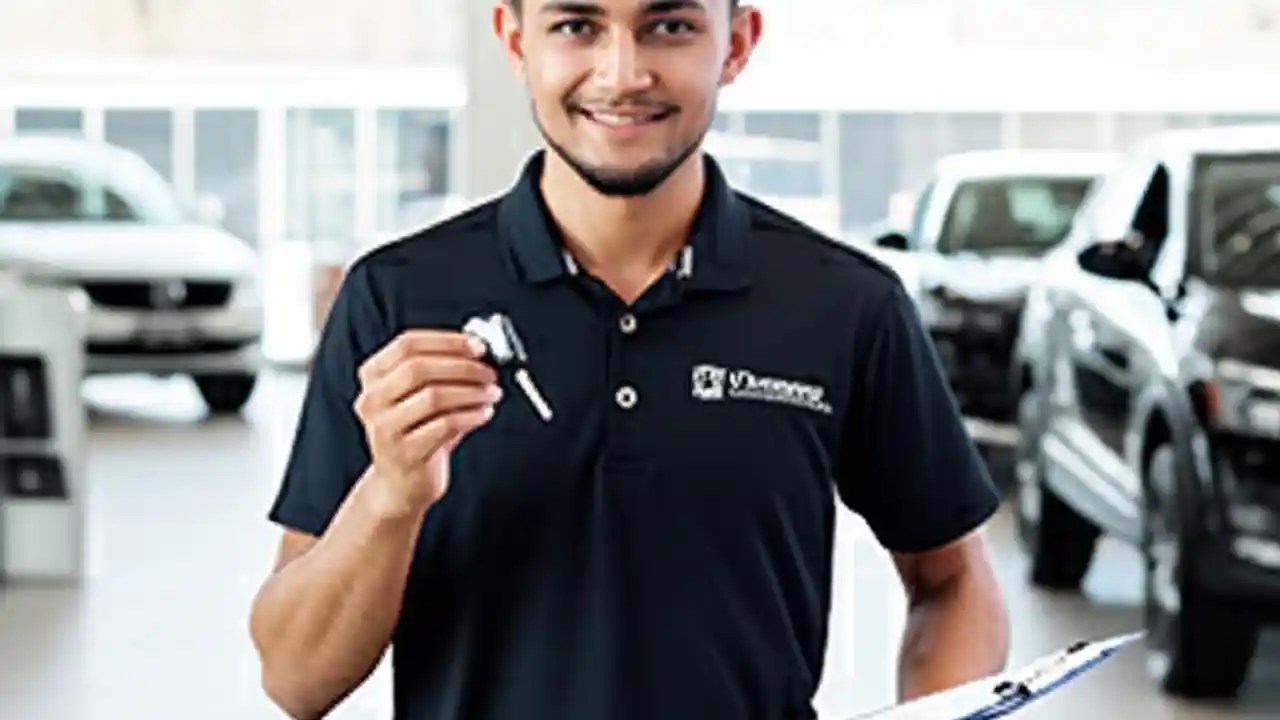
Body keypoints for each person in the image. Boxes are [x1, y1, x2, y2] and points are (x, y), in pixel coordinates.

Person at [249, 1, 1010, 718]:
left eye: (669, 25)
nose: (622, 74)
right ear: (517, 42)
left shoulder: (846, 305)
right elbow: (295, 680)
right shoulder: (397, 300)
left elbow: (952, 578)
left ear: (736, 44)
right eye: (578, 25)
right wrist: (392, 495)